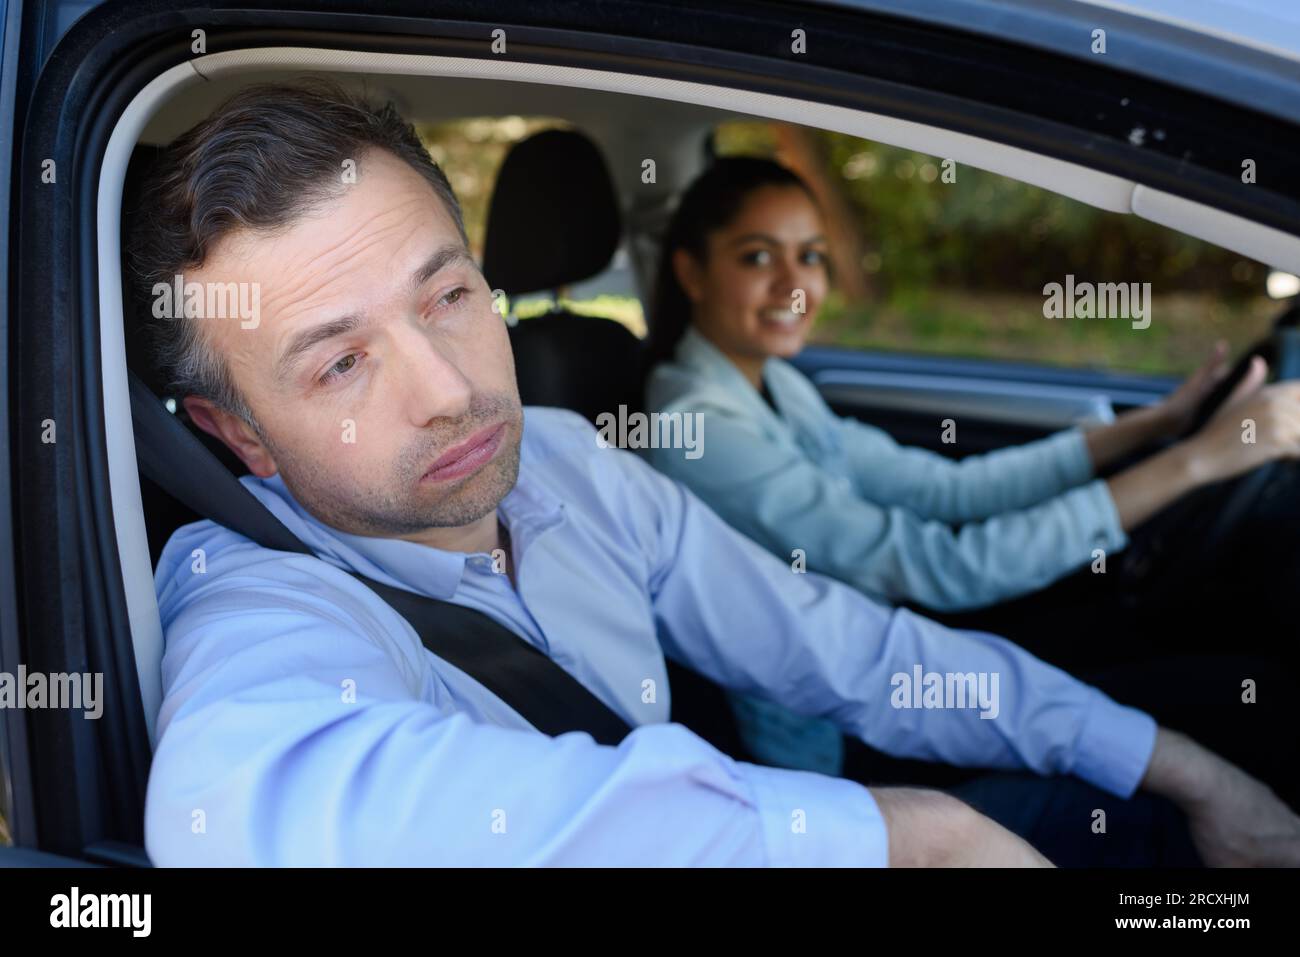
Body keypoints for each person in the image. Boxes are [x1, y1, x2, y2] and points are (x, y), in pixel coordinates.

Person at [129, 80, 1300, 867]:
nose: (445, 388)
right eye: (339, 364)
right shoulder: (258, 602)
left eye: (448, 294)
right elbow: (240, 800)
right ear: (239, 438)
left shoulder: (573, 463)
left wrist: (1180, 765)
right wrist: (899, 834)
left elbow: (851, 647)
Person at [643, 156, 1300, 779]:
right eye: (758, 256)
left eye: (811, 255)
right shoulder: (695, 427)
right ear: (692, 272)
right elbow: (943, 568)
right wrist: (1192, 465)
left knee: (1223, 688)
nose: (795, 283)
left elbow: (950, 489)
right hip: (836, 746)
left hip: (886, 668)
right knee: (1237, 708)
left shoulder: (777, 387)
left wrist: (1152, 429)